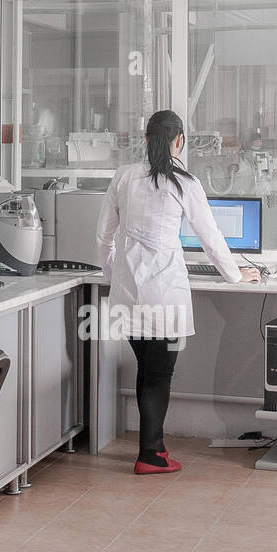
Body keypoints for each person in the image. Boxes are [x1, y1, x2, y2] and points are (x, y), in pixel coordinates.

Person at [96, 109, 261, 476]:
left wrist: (114, 274)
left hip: (128, 295)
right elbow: (211, 239)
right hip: (163, 294)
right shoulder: (184, 182)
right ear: (180, 140)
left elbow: (104, 238)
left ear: (145, 139)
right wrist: (236, 276)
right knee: (159, 375)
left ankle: (153, 448)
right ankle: (150, 455)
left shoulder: (124, 177)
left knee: (146, 368)